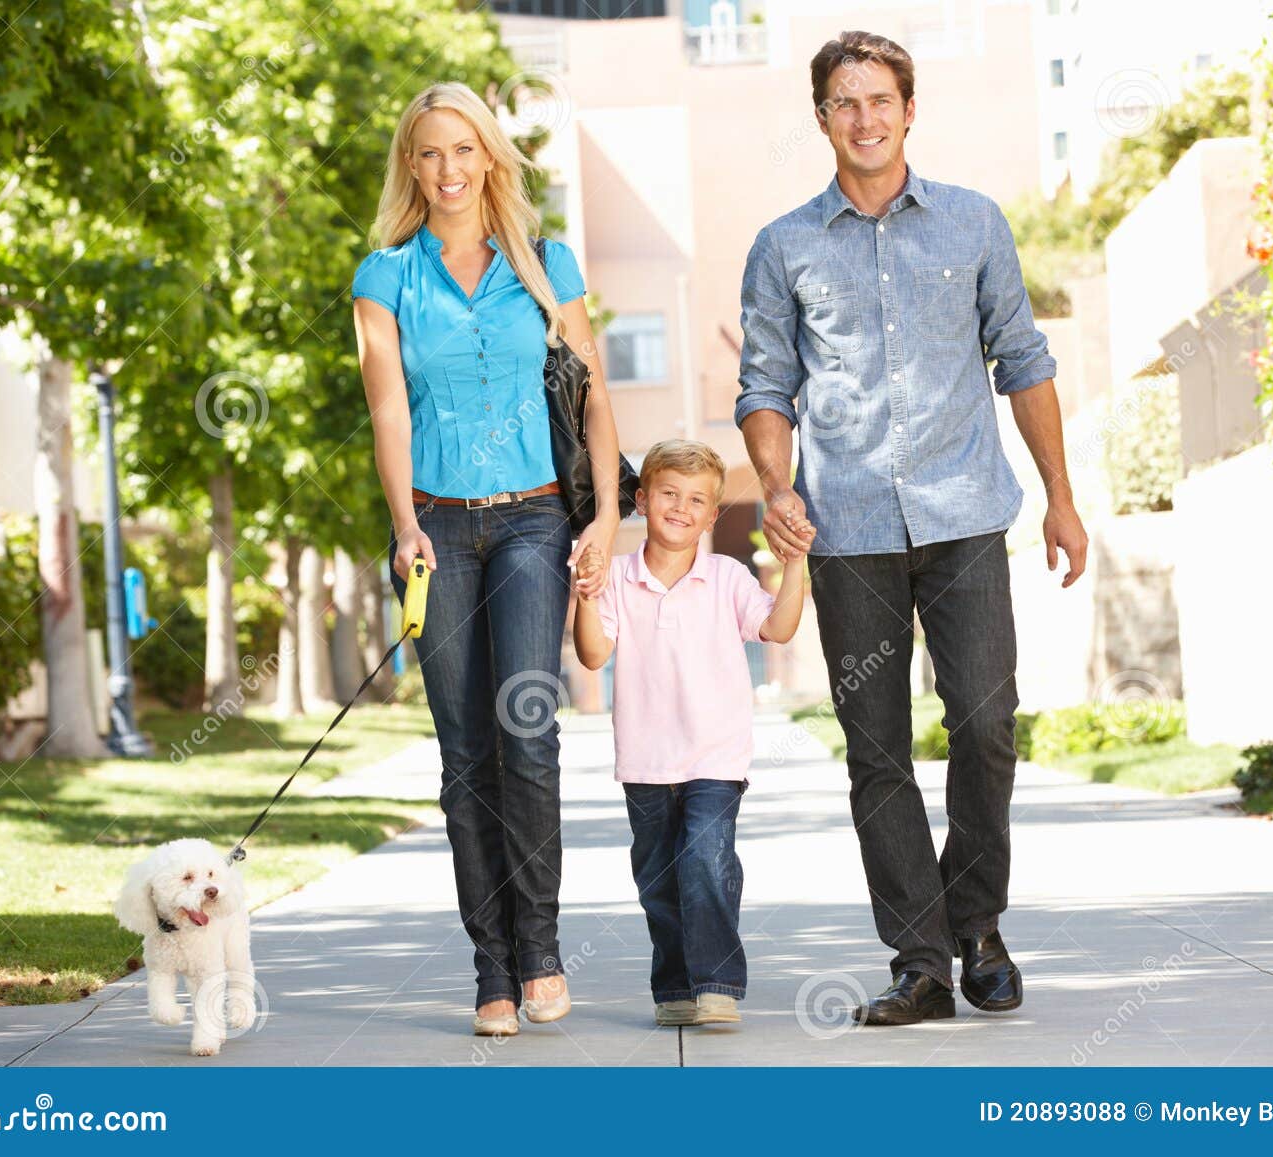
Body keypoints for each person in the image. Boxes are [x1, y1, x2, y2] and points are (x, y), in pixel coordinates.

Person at [734, 31, 1089, 1027]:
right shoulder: (784, 246)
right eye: (844, 102)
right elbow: (764, 384)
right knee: (875, 748)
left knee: (985, 723)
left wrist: (1060, 494)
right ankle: (921, 960)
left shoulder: (973, 224)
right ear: (822, 118)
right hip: (846, 527)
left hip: (965, 512)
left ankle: (977, 924)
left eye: (880, 98)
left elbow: (1022, 360)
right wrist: (775, 480)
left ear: (907, 109)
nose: (865, 117)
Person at [351, 82, 624, 1037]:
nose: (450, 169)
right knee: (465, 757)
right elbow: (389, 407)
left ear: (491, 158)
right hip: (436, 527)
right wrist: (402, 523)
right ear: (411, 167)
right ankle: (493, 967)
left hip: (534, 523)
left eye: (465, 149)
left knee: (527, 732)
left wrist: (609, 516)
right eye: (430, 153)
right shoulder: (384, 277)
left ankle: (541, 945)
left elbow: (591, 397)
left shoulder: (546, 266)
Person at [571, 440, 808, 1026]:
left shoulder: (726, 577)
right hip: (646, 761)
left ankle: (718, 983)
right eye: (670, 494)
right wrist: (583, 595)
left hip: (715, 758)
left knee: (706, 860)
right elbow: (593, 654)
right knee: (657, 879)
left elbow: (777, 627)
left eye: (697, 499)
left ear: (712, 515)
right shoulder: (618, 578)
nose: (681, 507)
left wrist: (796, 564)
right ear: (643, 500)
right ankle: (674, 987)